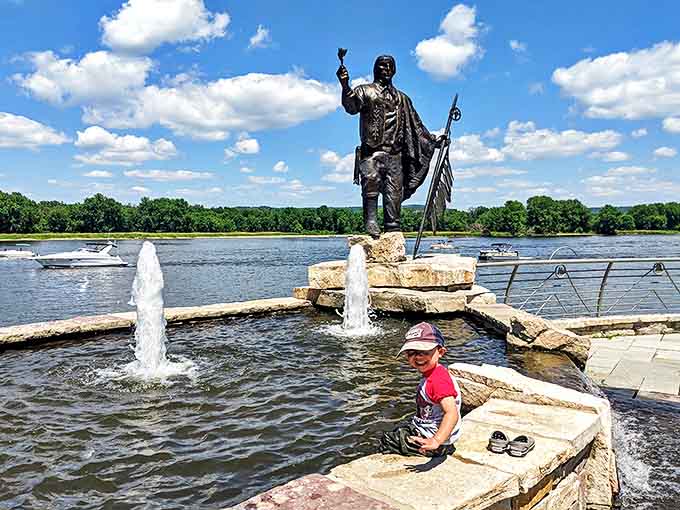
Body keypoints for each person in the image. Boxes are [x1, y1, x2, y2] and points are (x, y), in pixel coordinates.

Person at [337, 55, 446, 238]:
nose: (385, 69)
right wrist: (345, 85)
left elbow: (417, 128)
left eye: (389, 66)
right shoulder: (365, 91)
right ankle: (370, 221)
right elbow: (351, 107)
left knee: (394, 192)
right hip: (371, 152)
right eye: (382, 65)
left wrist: (435, 141)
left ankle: (392, 228)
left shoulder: (403, 99)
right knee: (370, 183)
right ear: (375, 68)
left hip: (395, 155)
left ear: (394, 70)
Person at [379, 321, 462, 457]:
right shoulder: (432, 375)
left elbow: (451, 413)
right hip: (430, 432)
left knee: (389, 439)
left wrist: (436, 441)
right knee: (401, 429)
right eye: (411, 353)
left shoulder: (438, 380)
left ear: (440, 352)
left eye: (424, 352)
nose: (417, 357)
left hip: (436, 443)